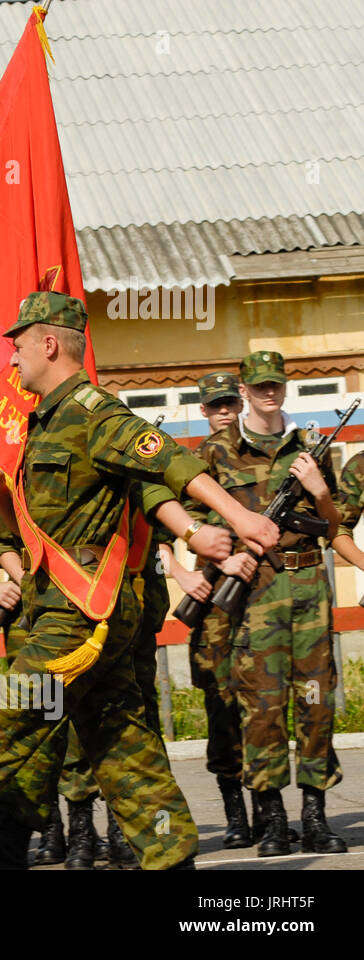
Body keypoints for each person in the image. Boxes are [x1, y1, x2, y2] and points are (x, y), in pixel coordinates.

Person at [0, 292, 279, 871]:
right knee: (122, 746)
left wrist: (236, 519)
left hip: (81, 613)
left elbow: (166, 462)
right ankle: (172, 860)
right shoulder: (47, 420)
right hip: (65, 605)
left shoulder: (91, 412)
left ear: (49, 344)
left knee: (1, 721)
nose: (11, 360)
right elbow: (48, 525)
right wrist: (5, 506)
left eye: (19, 346)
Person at [187, 352, 347, 856]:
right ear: (245, 391)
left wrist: (319, 490)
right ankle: (273, 818)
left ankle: (316, 816)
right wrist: (227, 558)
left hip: (309, 589)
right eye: (258, 387)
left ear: (284, 388)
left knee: (317, 703)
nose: (268, 394)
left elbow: (335, 525)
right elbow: (193, 524)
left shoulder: (309, 449)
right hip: (256, 593)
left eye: (275, 385)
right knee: (262, 707)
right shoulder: (217, 453)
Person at [166, 372, 261, 848]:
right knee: (221, 707)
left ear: (240, 403)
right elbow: (164, 524)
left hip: (263, 597)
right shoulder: (193, 462)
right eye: (214, 406)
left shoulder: (262, 453)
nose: (224, 412)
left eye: (229, 403)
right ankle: (234, 813)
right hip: (217, 602)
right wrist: (188, 573)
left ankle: (267, 808)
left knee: (261, 706)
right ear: (203, 411)